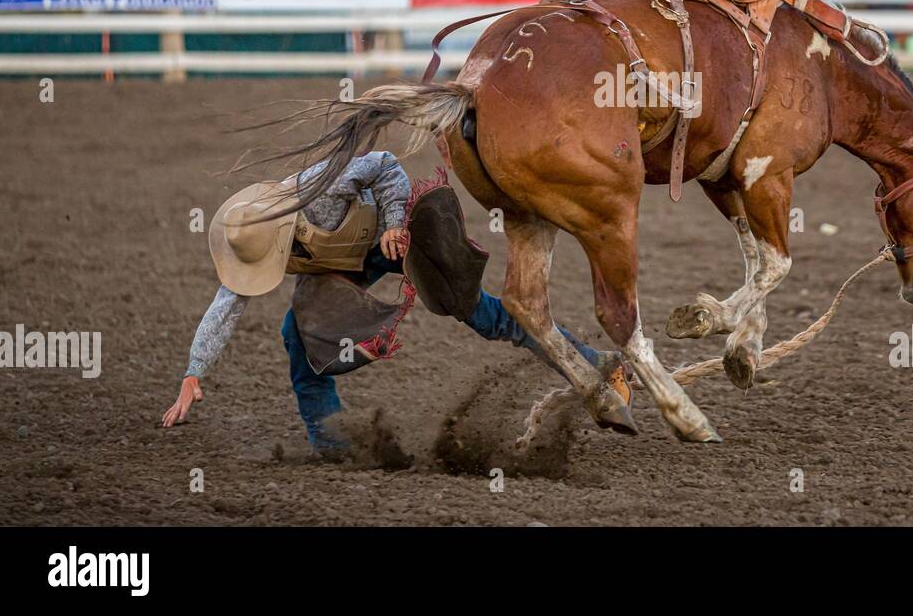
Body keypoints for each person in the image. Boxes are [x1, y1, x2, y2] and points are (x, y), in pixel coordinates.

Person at [161, 151, 627, 452]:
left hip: (398, 236)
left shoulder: (320, 185)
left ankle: (593, 364)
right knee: (299, 340)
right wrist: (193, 373)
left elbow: (384, 164)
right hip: (344, 264)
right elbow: (222, 311)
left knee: (484, 315)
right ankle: (334, 446)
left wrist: (391, 224)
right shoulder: (252, 241)